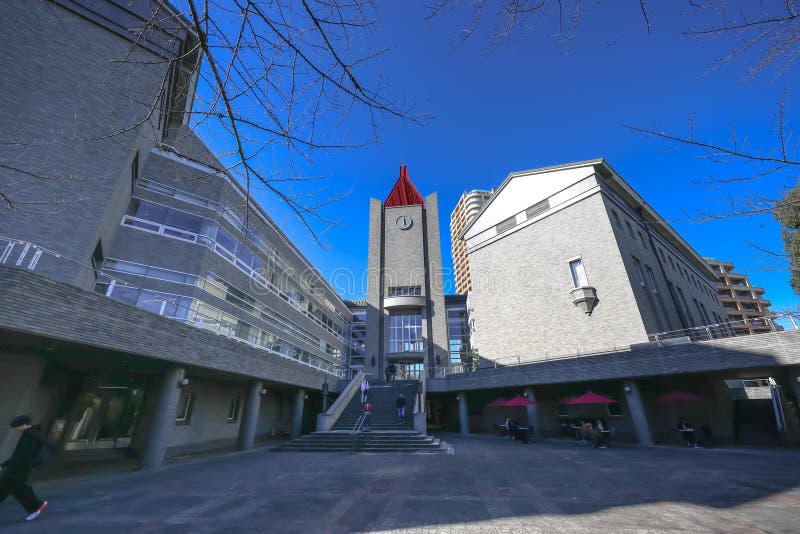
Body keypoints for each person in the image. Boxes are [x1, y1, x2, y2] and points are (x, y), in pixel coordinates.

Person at [1, 415, 48, 522]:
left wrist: (5, 465)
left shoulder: (30, 436)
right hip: (19, 469)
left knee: (12, 487)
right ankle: (36, 506)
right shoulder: (31, 434)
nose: (15, 429)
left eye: (16, 427)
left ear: (22, 425)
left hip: (17, 469)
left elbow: (21, 455)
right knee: (16, 489)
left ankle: (36, 505)